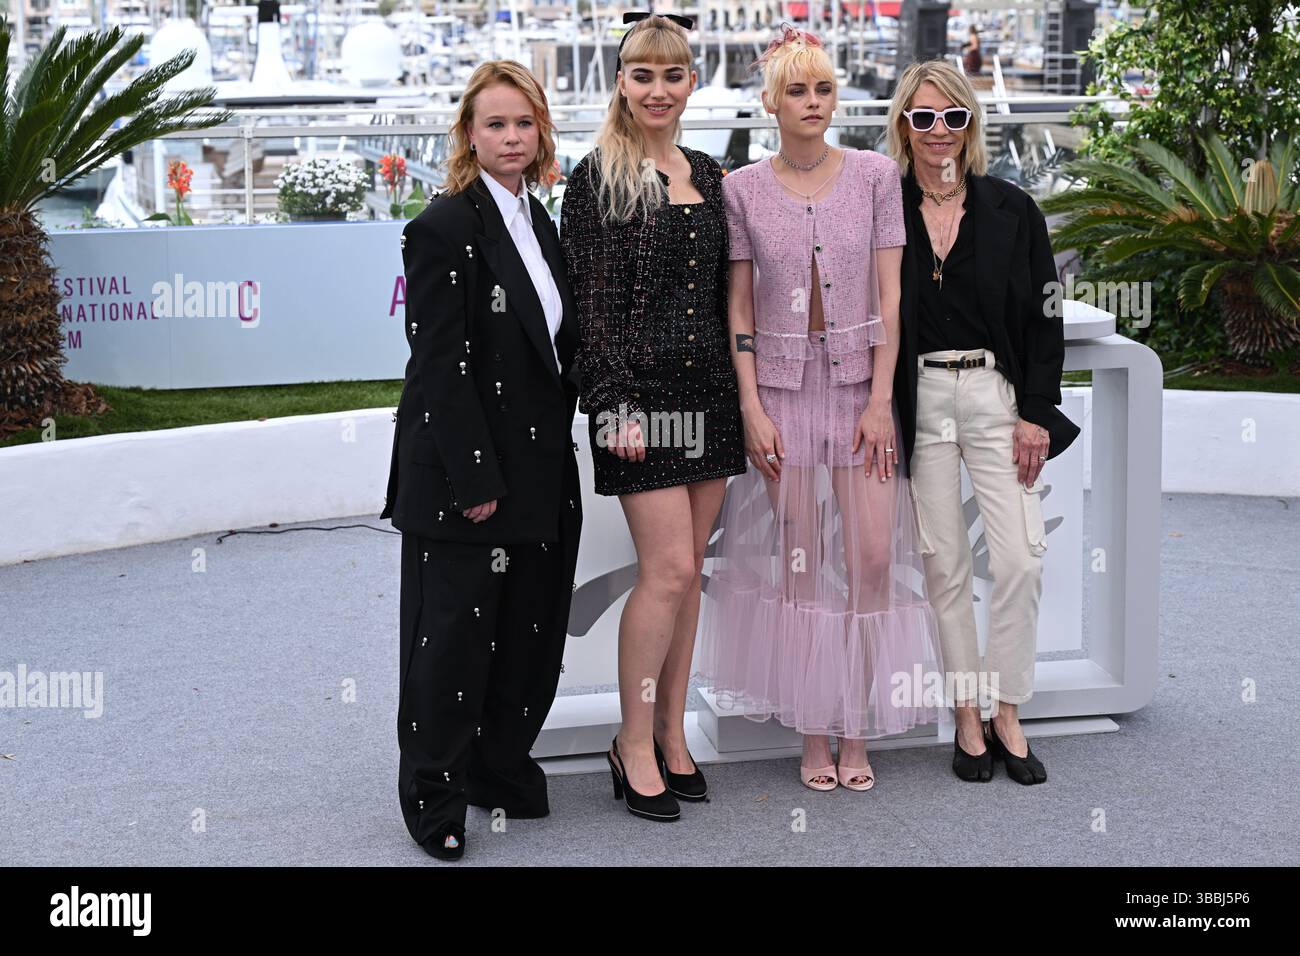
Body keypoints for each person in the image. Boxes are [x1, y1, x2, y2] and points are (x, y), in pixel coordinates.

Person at [697, 25, 943, 793]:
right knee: (801, 567)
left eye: (824, 89)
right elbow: (737, 304)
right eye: (798, 90)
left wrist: (878, 402)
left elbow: (892, 296)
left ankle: (859, 728)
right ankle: (813, 735)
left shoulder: (873, 175)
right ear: (770, 103)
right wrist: (750, 406)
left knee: (871, 561)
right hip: (778, 394)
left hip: (857, 395)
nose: (813, 102)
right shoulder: (740, 189)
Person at [380, 60, 582, 858]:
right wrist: (475, 480)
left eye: (523, 124)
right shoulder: (441, 227)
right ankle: (433, 798)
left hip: (538, 466)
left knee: (529, 633)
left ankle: (498, 767)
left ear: (540, 134)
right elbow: (440, 364)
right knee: (452, 642)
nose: (511, 137)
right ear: (469, 134)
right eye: (495, 124)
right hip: (466, 476)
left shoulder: (543, 221)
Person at [560, 12, 746, 822]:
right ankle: (631, 738)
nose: (658, 90)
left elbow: (724, 296)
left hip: (711, 395)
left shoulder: (710, 171)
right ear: (622, 81)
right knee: (665, 572)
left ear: (692, 83)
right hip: (640, 407)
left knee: (689, 578)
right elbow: (588, 310)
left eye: (673, 76)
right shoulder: (595, 176)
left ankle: (674, 732)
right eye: (643, 75)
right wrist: (613, 404)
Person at [885, 59, 1080, 785]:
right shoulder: (886, 208)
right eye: (924, 117)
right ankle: (966, 715)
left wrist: (1035, 412)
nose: (940, 131)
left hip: (997, 397)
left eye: (954, 117)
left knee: (1023, 557)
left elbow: (1045, 316)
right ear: (904, 125)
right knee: (944, 565)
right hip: (922, 398)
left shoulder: (1012, 208)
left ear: (972, 124)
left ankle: (1006, 708)